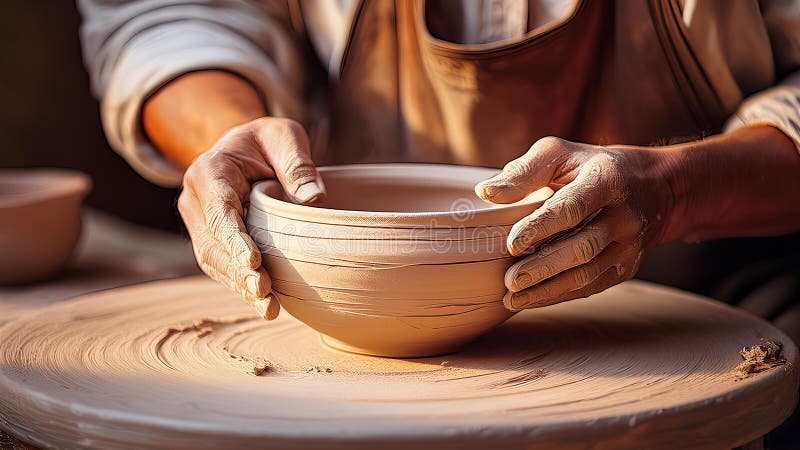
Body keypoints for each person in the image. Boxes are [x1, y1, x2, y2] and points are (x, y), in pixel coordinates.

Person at [78, 0, 800, 325]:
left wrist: (676, 191)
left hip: (716, 291)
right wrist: (230, 134)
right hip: (328, 292)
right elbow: (173, 11)